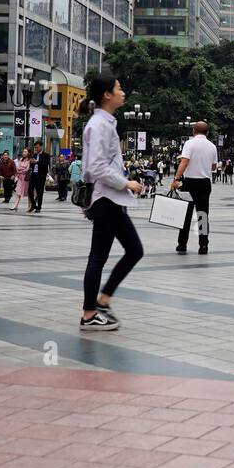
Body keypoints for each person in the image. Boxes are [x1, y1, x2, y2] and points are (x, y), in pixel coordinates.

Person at [79, 73, 145, 331]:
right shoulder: (98, 125)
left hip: (111, 199)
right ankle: (89, 314)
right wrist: (125, 183)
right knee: (98, 257)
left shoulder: (106, 122)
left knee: (134, 250)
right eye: (119, 88)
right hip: (105, 198)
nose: (123, 92)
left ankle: (102, 301)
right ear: (107, 95)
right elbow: (95, 166)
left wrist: (125, 184)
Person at [169, 121, 217, 256]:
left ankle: (182, 244)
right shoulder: (212, 146)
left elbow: (184, 162)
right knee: (203, 214)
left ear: (193, 131)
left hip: (189, 183)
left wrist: (176, 179)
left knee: (185, 215)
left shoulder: (189, 144)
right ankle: (203, 246)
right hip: (205, 183)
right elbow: (214, 167)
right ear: (207, 132)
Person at [27, 142, 50, 214]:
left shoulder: (46, 155)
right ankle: (33, 205)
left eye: (37, 147)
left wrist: (37, 162)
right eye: (35, 147)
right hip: (33, 175)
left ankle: (39, 207)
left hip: (41, 176)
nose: (36, 149)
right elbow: (31, 165)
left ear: (41, 147)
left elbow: (45, 164)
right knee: (29, 191)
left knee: (39, 192)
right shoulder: (34, 155)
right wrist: (31, 162)